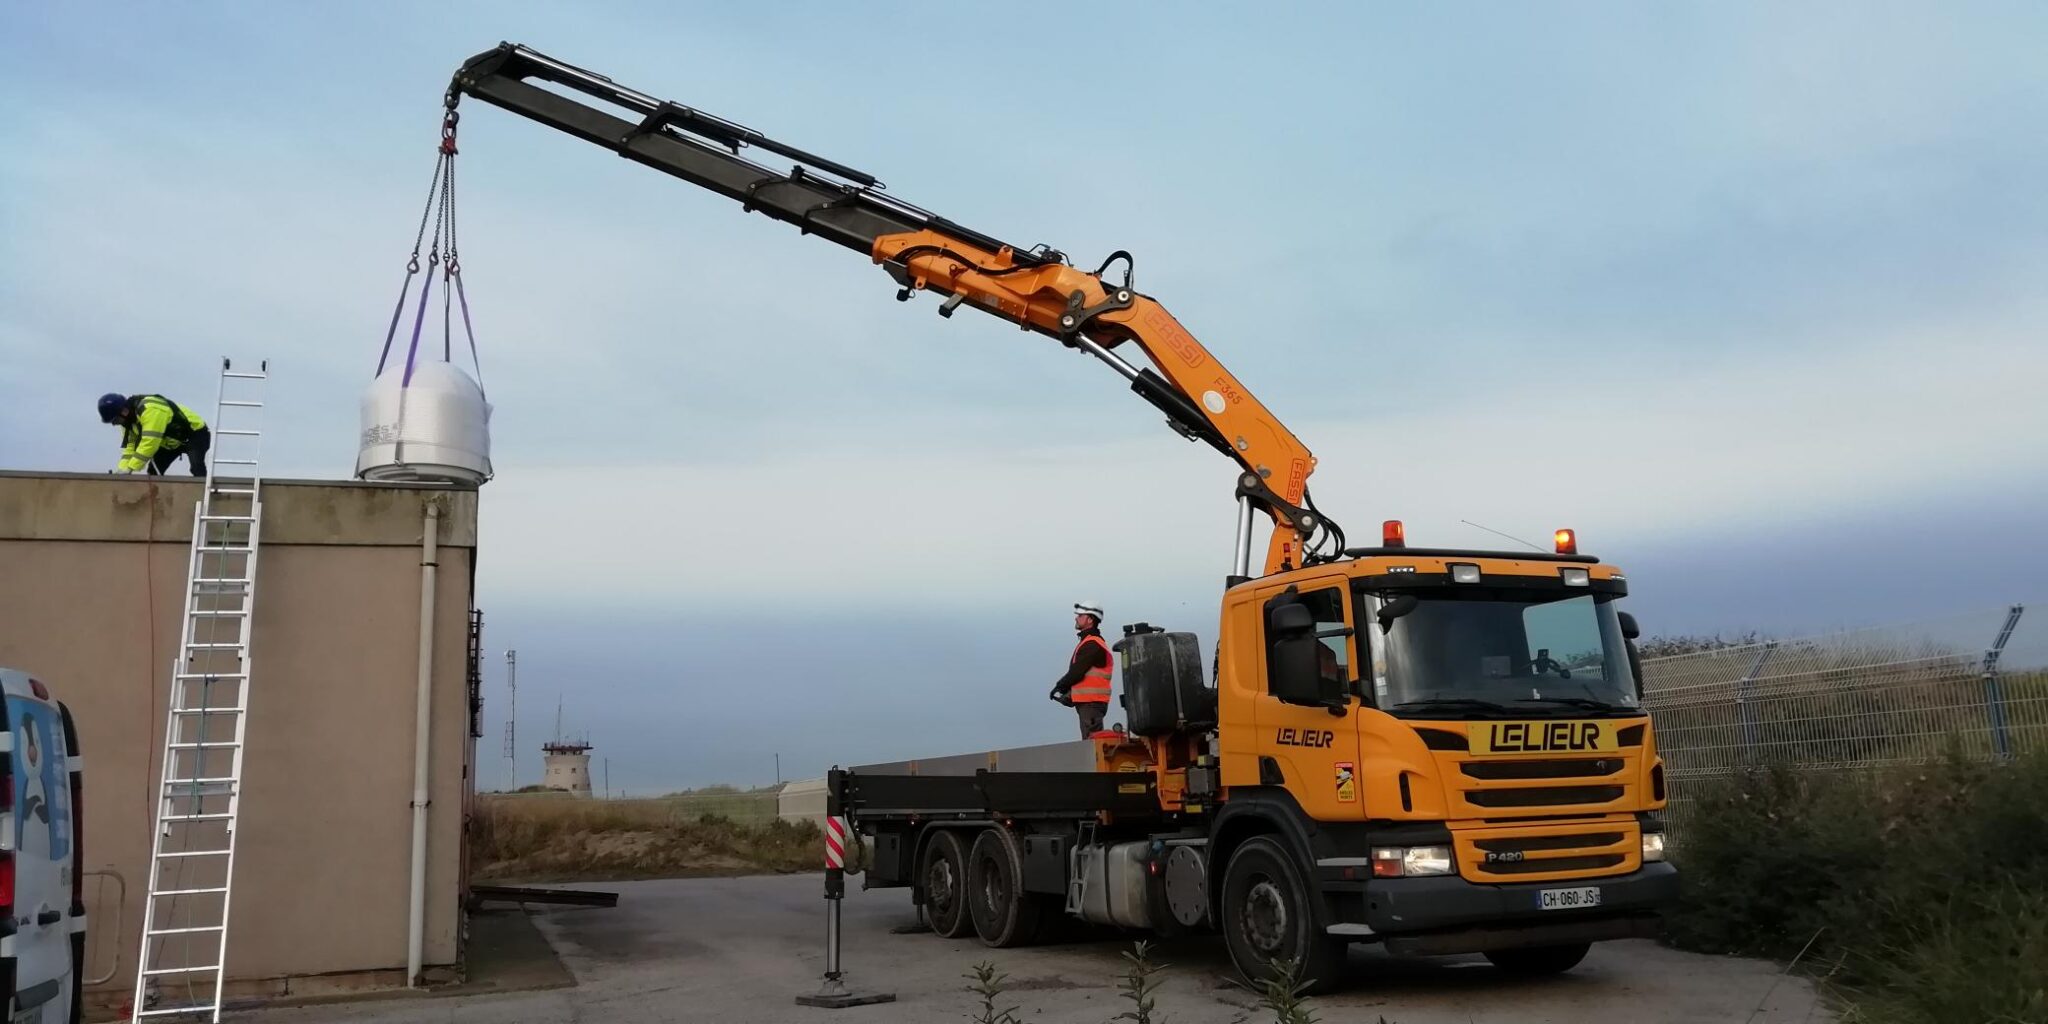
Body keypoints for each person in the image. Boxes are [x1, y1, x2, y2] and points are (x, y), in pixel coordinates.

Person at [98, 393, 210, 477]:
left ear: (124, 411)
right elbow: (130, 448)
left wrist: (131, 467)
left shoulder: (150, 409)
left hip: (195, 433)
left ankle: (203, 493)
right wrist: (122, 470)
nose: (117, 424)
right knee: (153, 472)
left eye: (116, 420)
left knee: (196, 466)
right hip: (170, 442)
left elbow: (150, 442)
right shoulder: (128, 423)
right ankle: (156, 499)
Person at [1049, 600, 1114, 738]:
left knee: (1092, 742)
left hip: (1091, 703)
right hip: (1090, 703)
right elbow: (1081, 674)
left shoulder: (1092, 644)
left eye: (1080, 615)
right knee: (1091, 741)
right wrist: (1069, 692)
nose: (1076, 618)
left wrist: (1060, 686)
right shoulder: (1090, 642)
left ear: (1090, 619)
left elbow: (1077, 672)